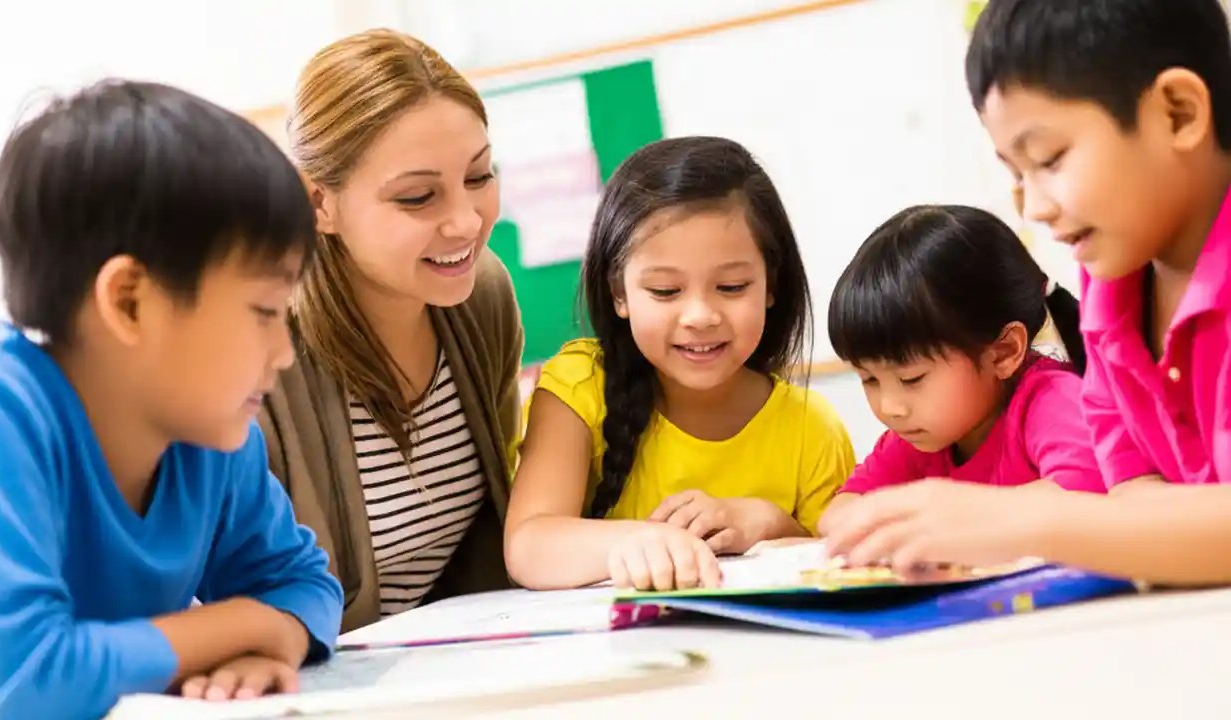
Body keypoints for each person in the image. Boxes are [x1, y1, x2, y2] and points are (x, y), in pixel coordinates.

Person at [0, 80, 343, 719]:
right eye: (265, 311)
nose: (285, 352)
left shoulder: (213, 432)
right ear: (130, 301)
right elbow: (19, 680)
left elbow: (302, 585)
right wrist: (244, 625)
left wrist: (272, 644)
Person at [825, 0, 1231, 585]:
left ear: (1177, 113)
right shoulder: (1111, 288)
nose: (1035, 207)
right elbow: (1137, 499)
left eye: (1050, 160)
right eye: (1016, 174)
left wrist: (1030, 519)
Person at [505, 136, 855, 592]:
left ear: (771, 285)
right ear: (618, 293)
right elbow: (528, 546)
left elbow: (848, 565)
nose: (700, 316)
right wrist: (643, 542)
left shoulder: (812, 429)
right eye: (666, 292)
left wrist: (769, 523)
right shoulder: (579, 387)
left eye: (731, 287)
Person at [259, 29, 523, 631]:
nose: (465, 222)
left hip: (458, 660)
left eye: (480, 177)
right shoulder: (262, 351)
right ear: (319, 203)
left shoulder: (483, 296)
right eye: (417, 197)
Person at [817, 204, 1104, 535]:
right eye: (868, 379)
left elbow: (1085, 495)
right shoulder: (917, 436)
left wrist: (952, 512)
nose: (889, 407)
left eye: (911, 378)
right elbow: (837, 518)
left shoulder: (1050, 400)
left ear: (1003, 352)